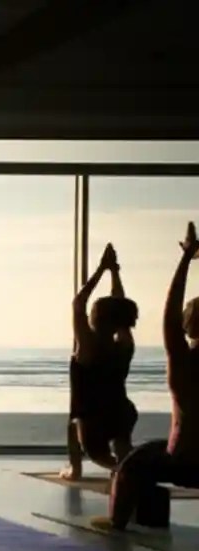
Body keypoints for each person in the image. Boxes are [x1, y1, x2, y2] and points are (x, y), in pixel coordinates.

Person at [98, 222, 199, 530]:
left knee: (129, 466)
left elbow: (169, 316)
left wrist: (186, 257)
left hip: (183, 460)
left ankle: (116, 523)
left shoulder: (184, 363)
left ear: (188, 326)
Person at [62, 244, 137, 481]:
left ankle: (78, 469)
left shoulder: (87, 346)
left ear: (95, 318)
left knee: (94, 448)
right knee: (122, 447)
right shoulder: (124, 343)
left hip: (92, 420)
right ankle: (126, 463)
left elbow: (78, 304)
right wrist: (114, 272)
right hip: (121, 411)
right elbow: (120, 307)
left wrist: (101, 269)